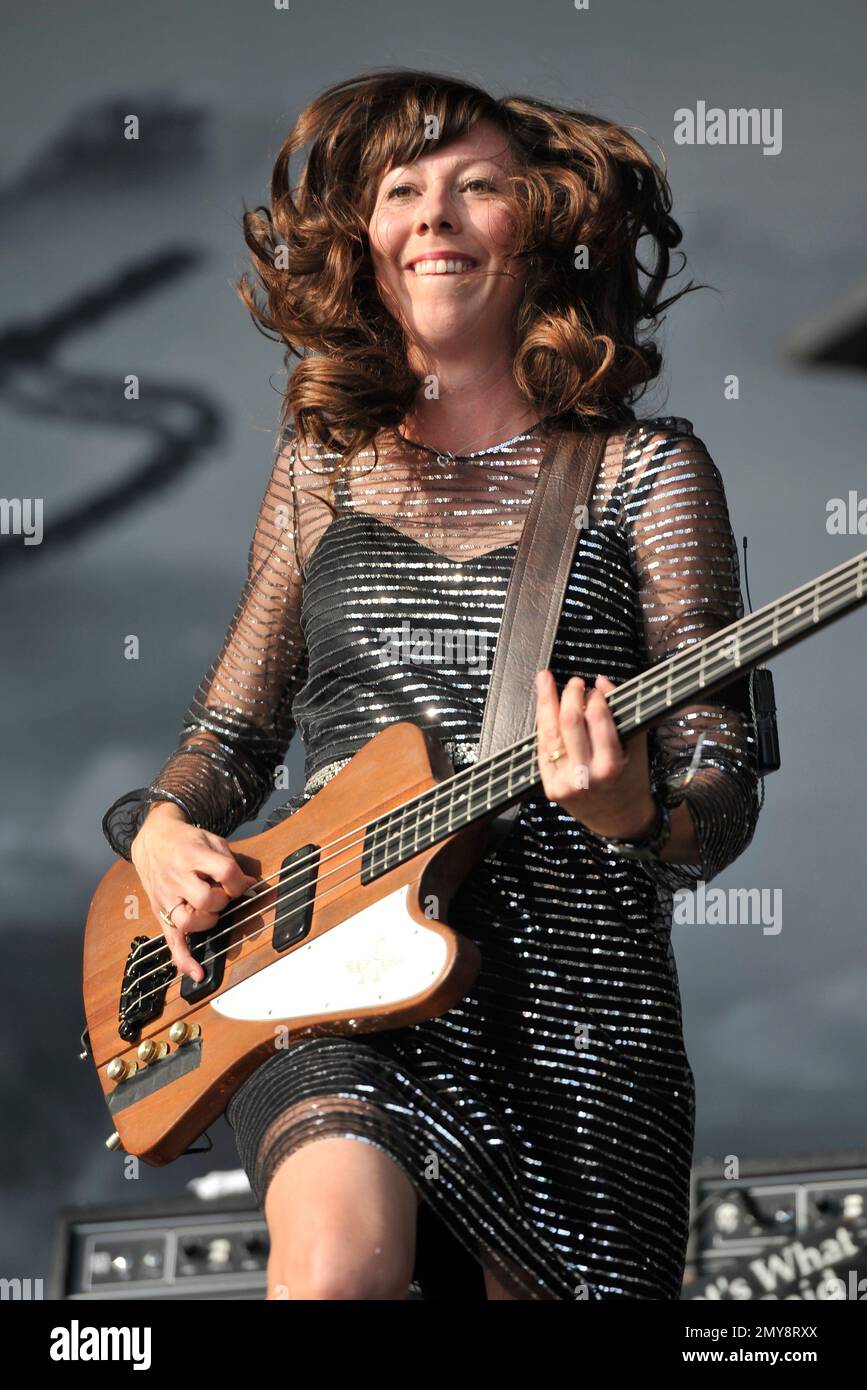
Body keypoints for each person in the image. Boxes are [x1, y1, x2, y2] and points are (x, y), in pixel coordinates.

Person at [102, 68, 763, 1301]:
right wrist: (158, 826)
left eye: (476, 187)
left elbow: (717, 781)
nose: (436, 216)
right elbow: (231, 734)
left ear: (543, 220)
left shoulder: (646, 474)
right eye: (402, 190)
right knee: (335, 1268)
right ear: (367, 238)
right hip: (333, 987)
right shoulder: (322, 473)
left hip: (579, 1021)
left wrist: (636, 812)